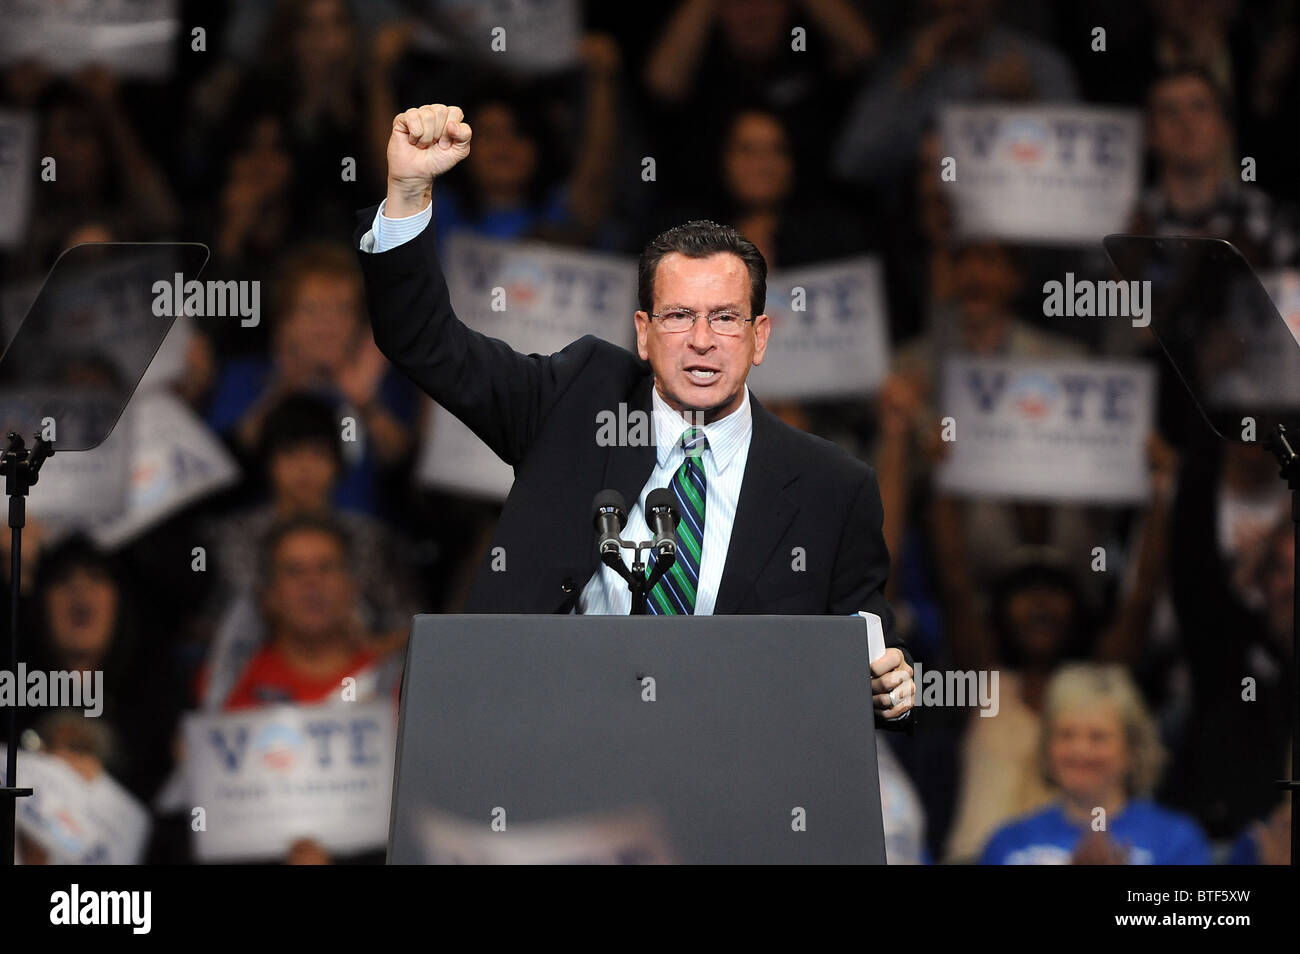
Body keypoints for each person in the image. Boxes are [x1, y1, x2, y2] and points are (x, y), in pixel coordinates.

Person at [354, 102, 914, 724]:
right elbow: (425, 342)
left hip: (727, 775)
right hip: (552, 741)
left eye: (725, 318)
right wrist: (407, 190)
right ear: (644, 334)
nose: (702, 340)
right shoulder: (576, 400)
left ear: (760, 337)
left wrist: (890, 687)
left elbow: (867, 654)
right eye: (678, 317)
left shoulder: (832, 488)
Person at [980, 663, 1211, 865]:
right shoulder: (1009, 843)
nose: (1080, 750)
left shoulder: (1175, 840)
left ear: (1132, 749)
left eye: (1097, 737)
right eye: (1066, 735)